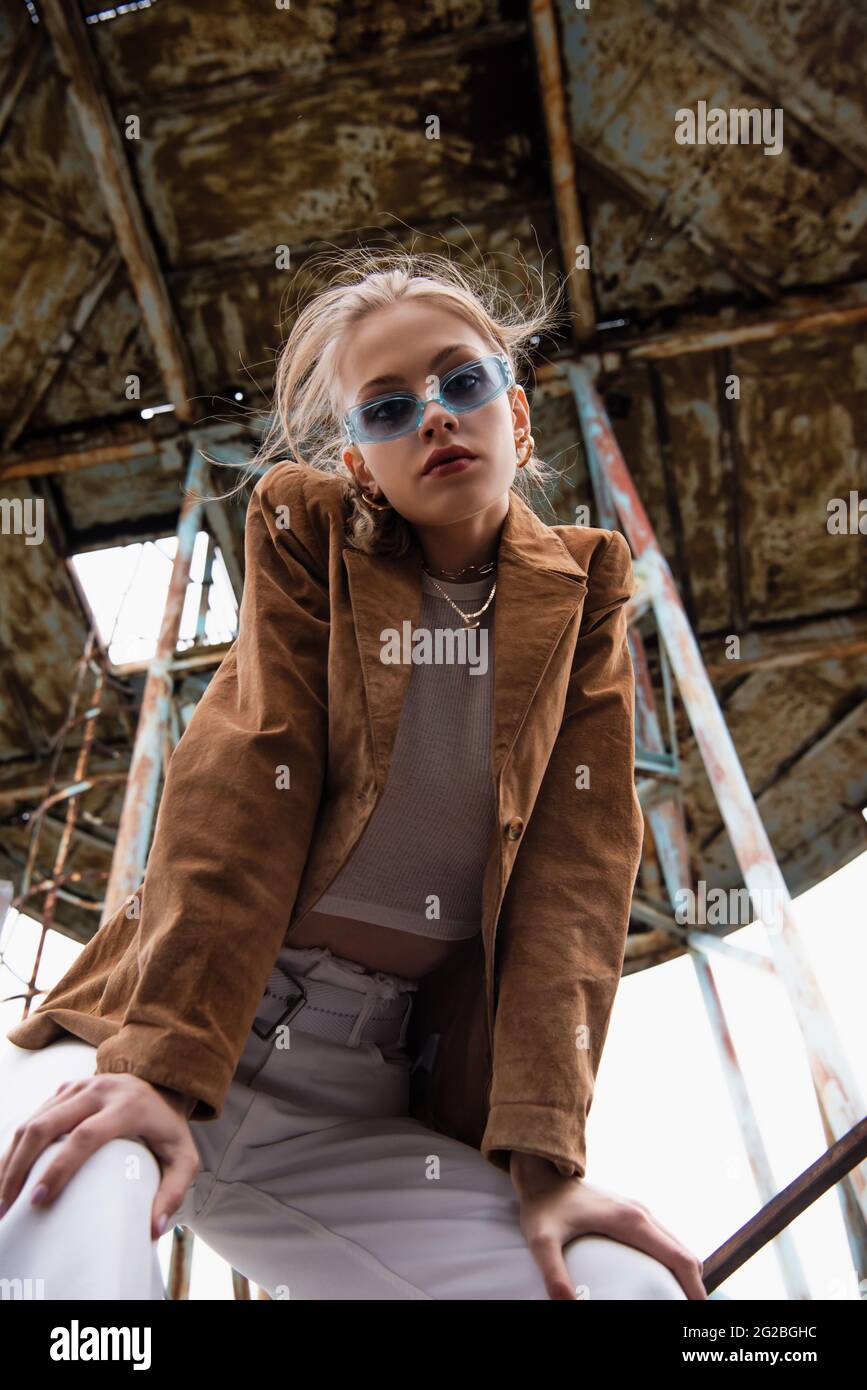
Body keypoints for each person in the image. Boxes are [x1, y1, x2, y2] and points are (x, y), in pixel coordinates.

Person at [0, 248, 704, 1300]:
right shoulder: (308, 531)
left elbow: (576, 882)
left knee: (615, 1284)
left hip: (360, 1101)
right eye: (386, 407)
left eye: (462, 383)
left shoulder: (583, 597)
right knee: (68, 1206)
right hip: (163, 1021)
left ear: (514, 418)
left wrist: (546, 1162)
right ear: (360, 462)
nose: (433, 415)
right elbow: (245, 780)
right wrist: (159, 1070)